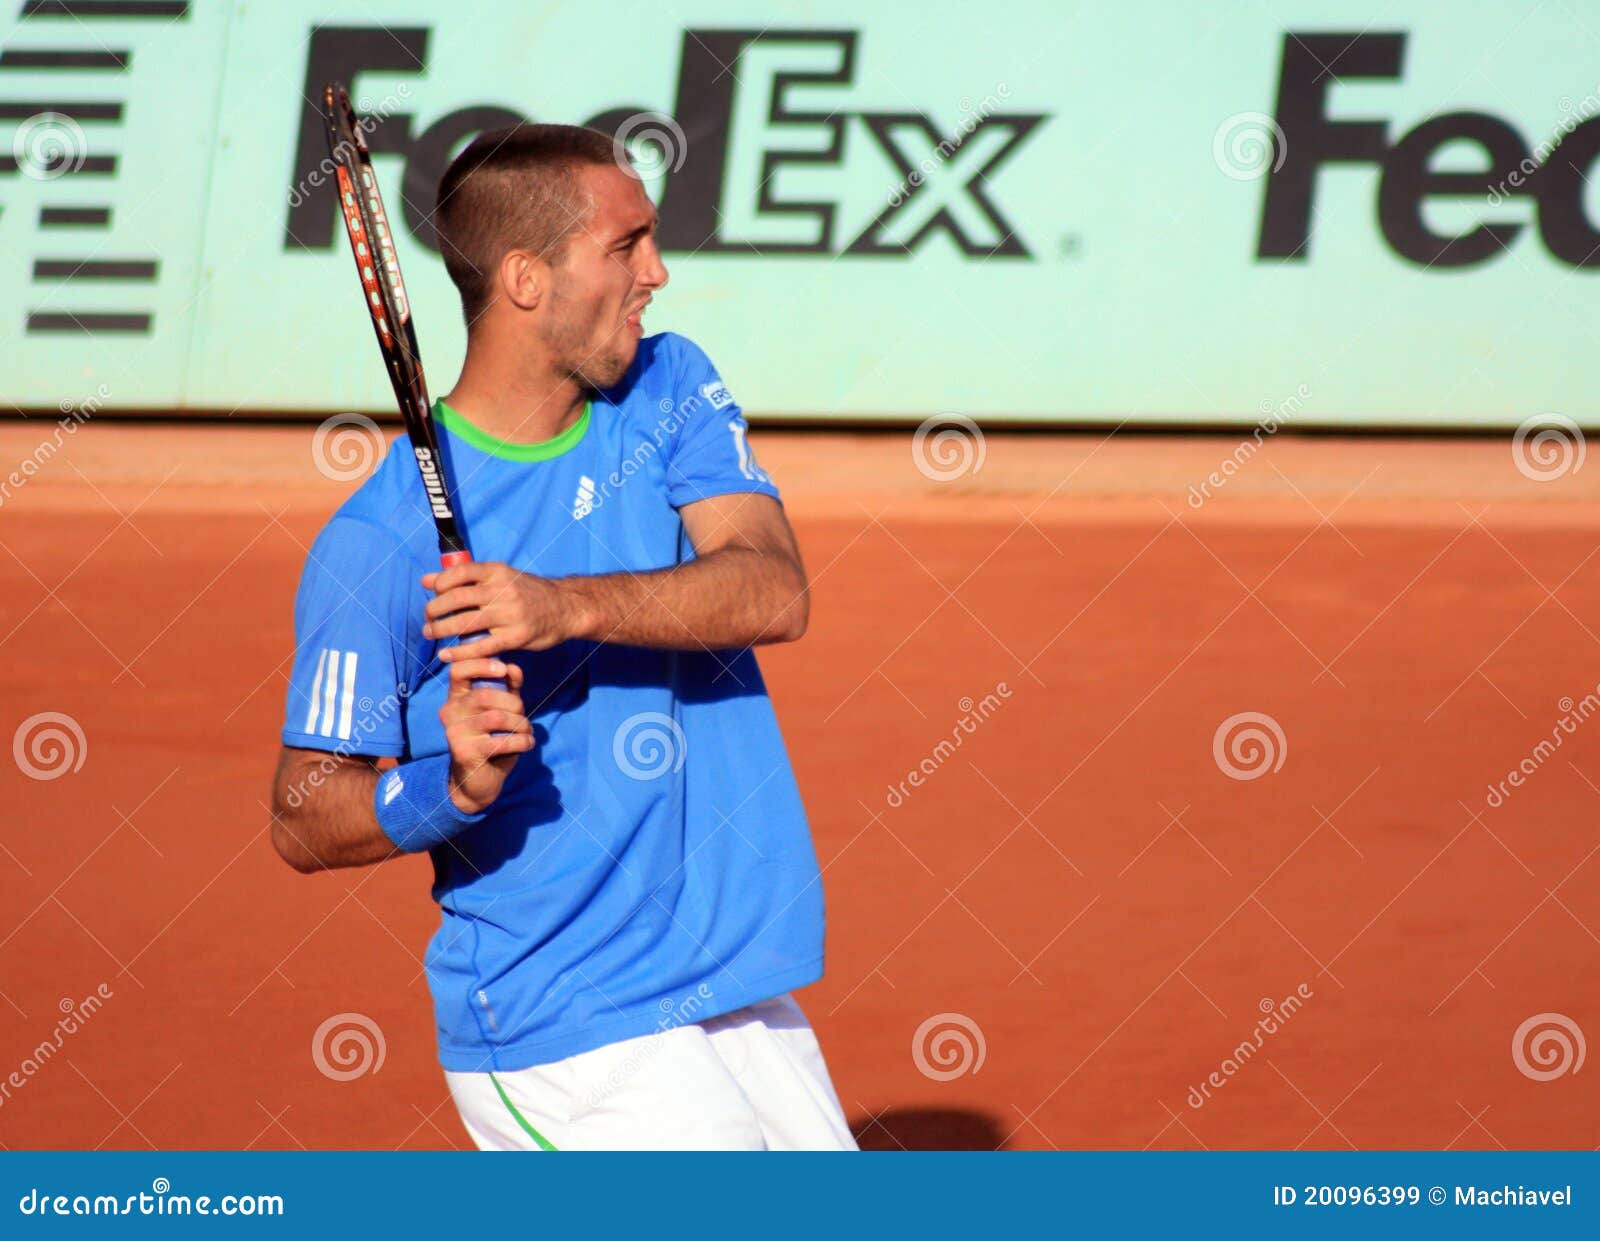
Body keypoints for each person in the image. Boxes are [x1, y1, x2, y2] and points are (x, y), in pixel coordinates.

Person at [269, 123, 855, 1151]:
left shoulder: (665, 391)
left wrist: (563, 604)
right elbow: (302, 812)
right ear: (527, 279)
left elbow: (772, 589)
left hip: (734, 986)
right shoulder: (376, 539)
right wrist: (443, 788)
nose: (658, 273)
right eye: (625, 247)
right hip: (572, 1030)